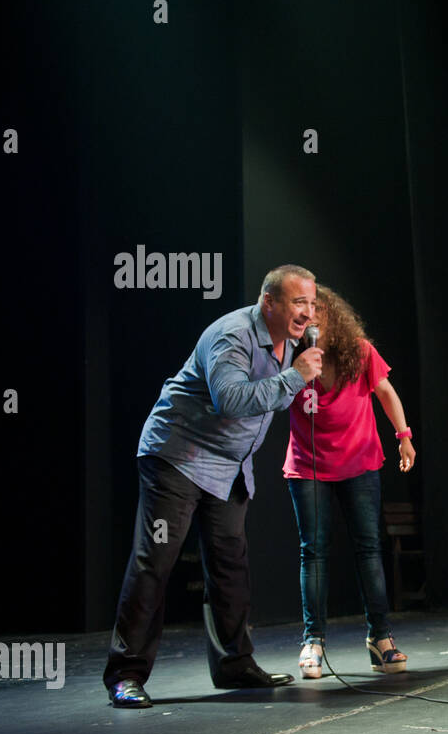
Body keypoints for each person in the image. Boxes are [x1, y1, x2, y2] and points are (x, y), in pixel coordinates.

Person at [103, 264, 323, 708]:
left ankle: (234, 664)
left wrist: (292, 373)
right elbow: (233, 399)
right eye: (299, 302)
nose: (308, 312)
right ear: (270, 303)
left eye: (312, 303)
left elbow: (272, 400)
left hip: (228, 466)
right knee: (155, 562)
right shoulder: (232, 336)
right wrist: (296, 376)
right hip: (177, 457)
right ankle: (124, 675)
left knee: (230, 566)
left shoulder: (290, 343)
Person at [284, 286, 415, 680]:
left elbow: (386, 392)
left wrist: (403, 436)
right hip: (308, 465)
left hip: (359, 462)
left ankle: (381, 639)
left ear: (332, 314)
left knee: (368, 549)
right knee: (314, 551)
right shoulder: (287, 355)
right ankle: (314, 641)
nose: (310, 316)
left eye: (316, 309)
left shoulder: (359, 351)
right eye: (302, 310)